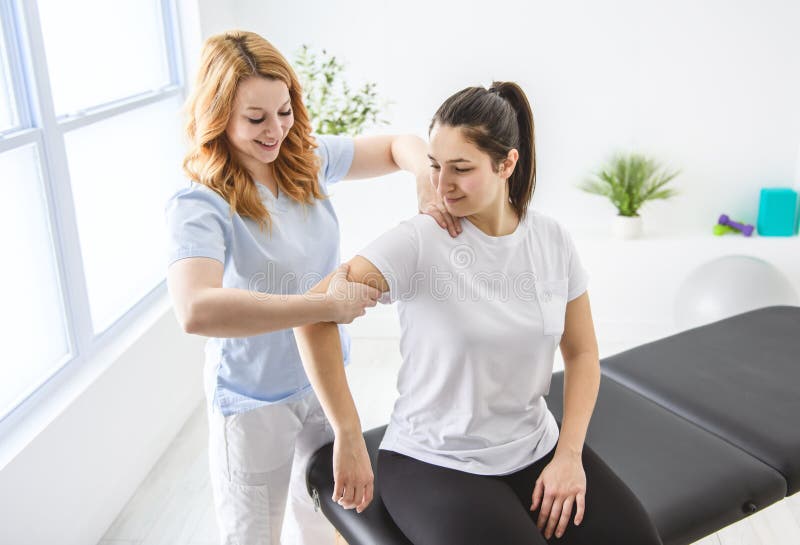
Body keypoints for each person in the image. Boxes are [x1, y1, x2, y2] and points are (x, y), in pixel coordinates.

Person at [293, 82, 664, 544]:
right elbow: (313, 314)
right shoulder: (418, 242)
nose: (441, 184)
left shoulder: (552, 242)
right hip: (433, 462)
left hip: (534, 447)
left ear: (506, 163)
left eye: (461, 169)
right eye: (434, 166)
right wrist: (348, 432)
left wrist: (569, 454)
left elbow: (584, 354)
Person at [164, 30, 460, 545]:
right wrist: (322, 305)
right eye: (255, 119)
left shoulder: (306, 160)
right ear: (217, 117)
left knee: (324, 528)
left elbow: (398, 145)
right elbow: (195, 309)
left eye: (284, 110)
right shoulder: (201, 203)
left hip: (321, 383)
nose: (276, 130)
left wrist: (421, 174)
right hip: (253, 404)